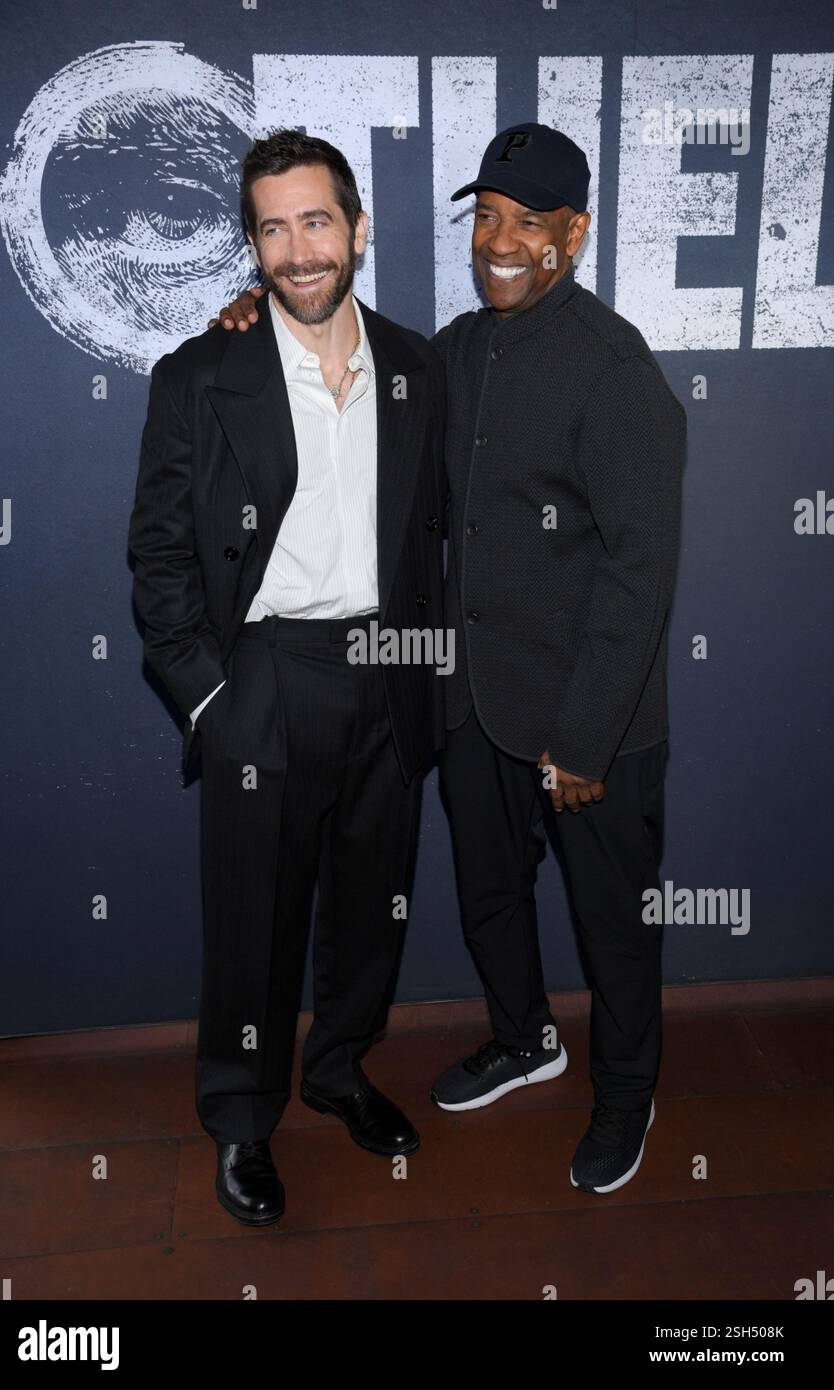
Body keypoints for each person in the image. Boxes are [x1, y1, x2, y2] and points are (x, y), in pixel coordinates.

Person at [211, 121, 686, 1195]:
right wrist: (252, 313)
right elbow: (335, 359)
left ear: (575, 232)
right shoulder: (454, 351)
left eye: (530, 221)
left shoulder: (616, 372)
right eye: (487, 218)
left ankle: (626, 1093)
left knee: (613, 924)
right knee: (489, 895)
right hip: (472, 702)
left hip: (591, 720)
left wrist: (584, 739)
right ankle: (524, 1039)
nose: (502, 241)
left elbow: (638, 575)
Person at [128, 129, 447, 1227]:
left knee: (371, 906)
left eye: (316, 221)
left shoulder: (415, 367)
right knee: (252, 923)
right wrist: (212, 700)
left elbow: (438, 533)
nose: (298, 250)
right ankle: (241, 1119)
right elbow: (159, 556)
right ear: (253, 247)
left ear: (358, 229)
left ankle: (341, 1069)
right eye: (273, 229)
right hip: (264, 674)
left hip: (389, 669)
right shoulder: (200, 374)